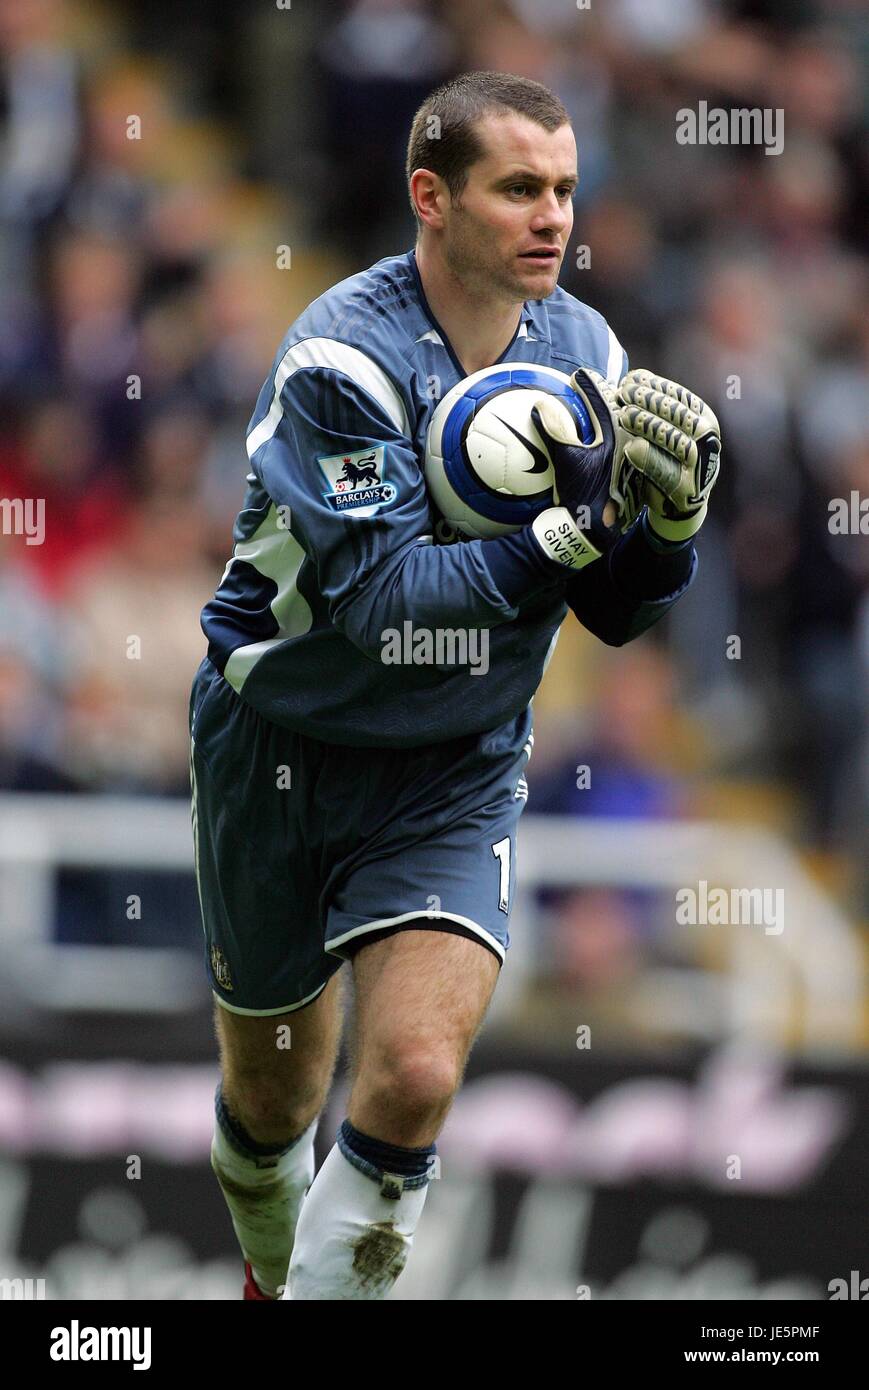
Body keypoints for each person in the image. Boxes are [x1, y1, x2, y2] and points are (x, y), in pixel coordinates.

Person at [188, 70, 720, 1301]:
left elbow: (616, 613)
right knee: (271, 1107)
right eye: (518, 189)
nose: (552, 219)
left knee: (417, 1072)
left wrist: (669, 531)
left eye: (566, 190)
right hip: (276, 745)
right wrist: (566, 536)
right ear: (430, 196)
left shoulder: (587, 352)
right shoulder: (338, 358)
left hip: (454, 762)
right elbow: (380, 616)